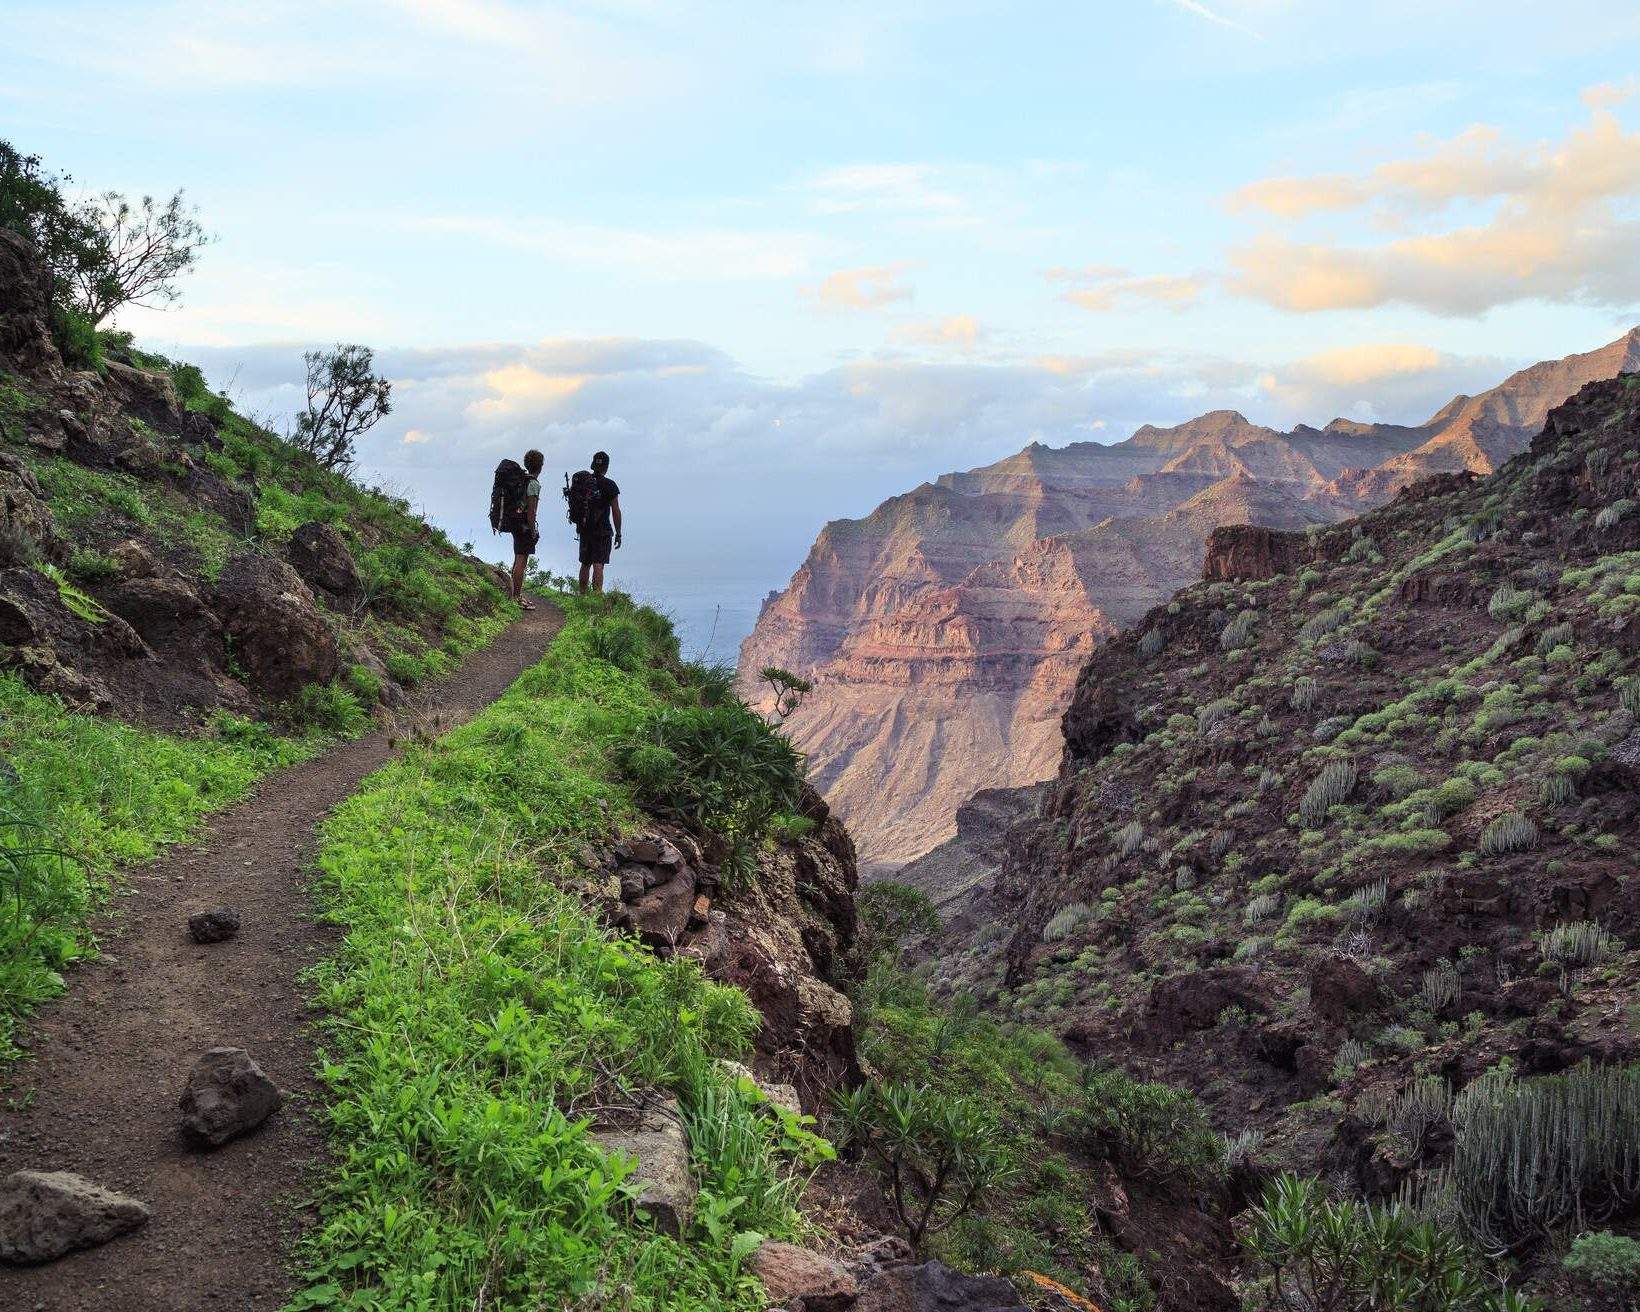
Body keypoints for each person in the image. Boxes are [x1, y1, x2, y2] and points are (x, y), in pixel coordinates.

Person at [576, 450, 621, 594]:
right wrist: (619, 533)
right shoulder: (610, 485)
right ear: (606, 467)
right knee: (598, 564)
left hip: (584, 529)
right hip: (602, 530)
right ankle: (596, 597)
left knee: (585, 563)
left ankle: (582, 596)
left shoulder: (583, 483)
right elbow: (616, 511)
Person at [510, 449, 545, 611]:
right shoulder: (533, 484)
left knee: (518, 558)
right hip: (524, 526)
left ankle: (515, 595)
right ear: (540, 466)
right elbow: (532, 511)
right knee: (522, 562)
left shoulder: (522, 480)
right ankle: (516, 598)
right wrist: (533, 531)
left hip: (515, 524)